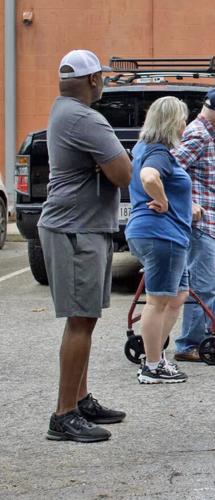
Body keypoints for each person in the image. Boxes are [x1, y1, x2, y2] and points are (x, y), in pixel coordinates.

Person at [39, 49, 131, 442]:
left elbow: (113, 167)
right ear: (93, 80)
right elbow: (123, 172)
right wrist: (111, 161)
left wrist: (106, 162)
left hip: (79, 225)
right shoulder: (85, 118)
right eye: (102, 77)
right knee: (80, 319)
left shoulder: (65, 110)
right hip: (75, 228)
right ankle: (64, 415)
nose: (104, 82)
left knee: (86, 317)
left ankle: (79, 399)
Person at [125, 96, 192, 383]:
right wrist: (163, 200)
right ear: (172, 123)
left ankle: (155, 356)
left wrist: (183, 204)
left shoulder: (142, 147)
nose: (185, 125)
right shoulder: (158, 152)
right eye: (182, 119)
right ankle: (152, 366)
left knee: (177, 296)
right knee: (158, 301)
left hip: (157, 233)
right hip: (160, 234)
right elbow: (150, 177)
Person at [172, 87, 215, 362]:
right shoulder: (199, 135)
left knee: (211, 283)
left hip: (209, 224)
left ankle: (205, 336)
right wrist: (188, 203)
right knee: (203, 286)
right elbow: (170, 169)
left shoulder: (205, 134)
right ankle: (189, 343)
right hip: (200, 225)